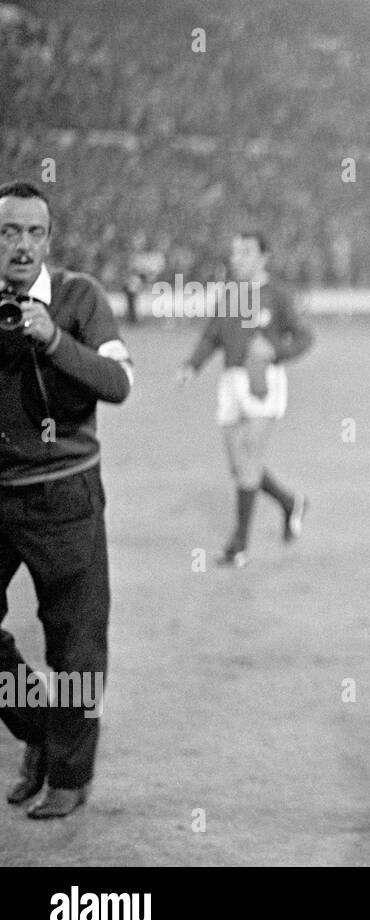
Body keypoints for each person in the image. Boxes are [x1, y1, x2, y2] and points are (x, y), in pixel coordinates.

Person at [0, 180, 133, 818]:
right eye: (7, 232)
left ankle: (70, 774)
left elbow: (119, 382)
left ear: (49, 240)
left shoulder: (80, 297)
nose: (21, 245)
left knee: (77, 646)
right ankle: (39, 728)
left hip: (65, 496)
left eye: (33, 232)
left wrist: (53, 338)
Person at [177, 232, 312, 568]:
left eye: (247, 252)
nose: (238, 258)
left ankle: (238, 545)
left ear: (264, 257)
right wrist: (191, 366)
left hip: (263, 382)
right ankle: (289, 501)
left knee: (250, 459)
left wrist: (276, 351)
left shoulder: (278, 294)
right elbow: (212, 335)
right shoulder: (231, 293)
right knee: (238, 467)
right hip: (231, 382)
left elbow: (305, 337)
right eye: (235, 252)